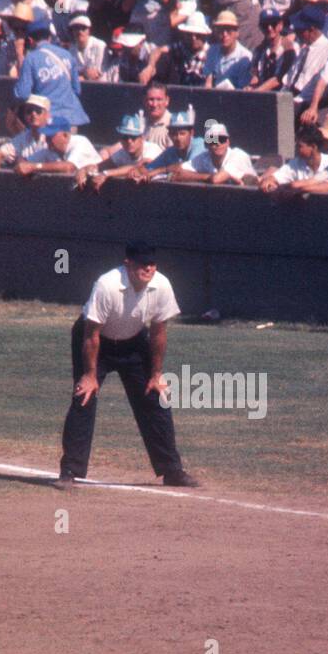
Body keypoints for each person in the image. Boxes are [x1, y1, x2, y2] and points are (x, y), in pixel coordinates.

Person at [55, 241, 198, 490]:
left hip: (134, 342)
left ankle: (172, 471)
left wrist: (156, 374)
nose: (148, 269)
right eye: (142, 264)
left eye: (152, 264)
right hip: (96, 342)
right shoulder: (107, 285)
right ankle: (70, 470)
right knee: (84, 396)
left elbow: (158, 332)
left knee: (156, 397)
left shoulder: (162, 285)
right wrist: (89, 375)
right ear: (128, 264)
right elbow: (91, 334)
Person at [14, 17, 89, 128]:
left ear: (29, 40)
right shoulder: (67, 54)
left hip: (48, 121)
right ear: (49, 37)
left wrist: (20, 55)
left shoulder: (30, 59)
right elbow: (77, 90)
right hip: (72, 118)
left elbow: (22, 94)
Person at [173, 118, 257, 185]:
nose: (217, 143)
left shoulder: (238, 155)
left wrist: (204, 177)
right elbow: (178, 172)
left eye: (221, 139)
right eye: (213, 140)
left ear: (228, 142)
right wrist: (208, 176)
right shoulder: (205, 157)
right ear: (206, 145)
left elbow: (216, 179)